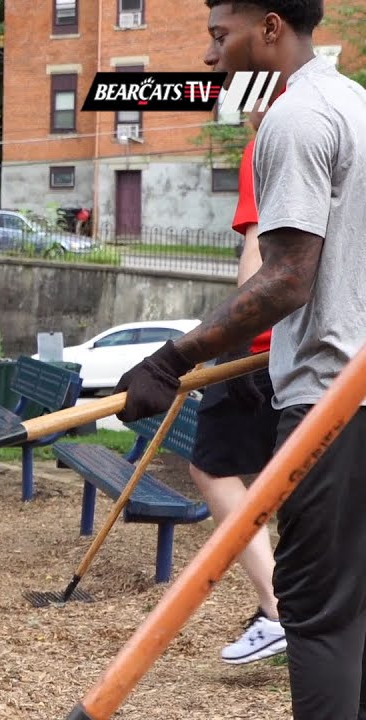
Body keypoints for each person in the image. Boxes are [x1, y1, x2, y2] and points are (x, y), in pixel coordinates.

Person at [118, 2, 366, 715]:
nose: (207, 55)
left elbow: (288, 275)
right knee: (353, 610)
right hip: (353, 389)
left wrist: (170, 359)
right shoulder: (354, 103)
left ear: (270, 27)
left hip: (329, 408)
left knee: (315, 614)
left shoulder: (295, 118)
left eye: (218, 36)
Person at [188, 107, 286, 665]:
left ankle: (278, 610)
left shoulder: (269, 139)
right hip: (323, 339)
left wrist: (240, 338)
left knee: (212, 464)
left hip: (265, 341)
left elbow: (258, 246)